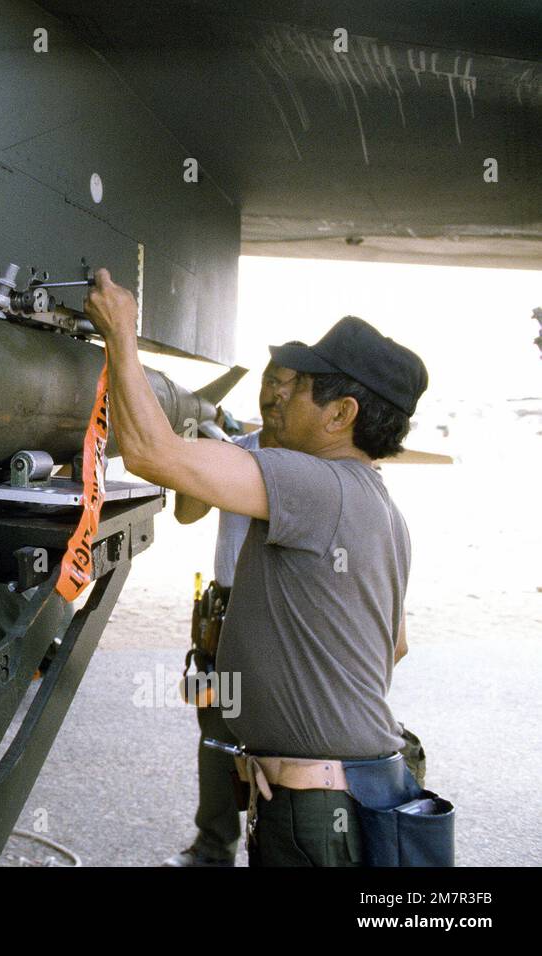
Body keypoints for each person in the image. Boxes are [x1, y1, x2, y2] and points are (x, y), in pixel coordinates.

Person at [85, 269, 428, 866]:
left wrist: (121, 334)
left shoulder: (316, 482)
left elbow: (150, 454)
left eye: (301, 388)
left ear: (340, 413)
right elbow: (392, 646)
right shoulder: (380, 506)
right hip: (331, 793)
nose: (279, 397)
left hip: (319, 809)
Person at [163, 361, 288, 867]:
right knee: (217, 731)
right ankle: (213, 848)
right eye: (268, 382)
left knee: (281, 737)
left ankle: (282, 848)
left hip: (280, 613)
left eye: (287, 385)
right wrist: (199, 451)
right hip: (226, 608)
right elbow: (186, 512)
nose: (272, 395)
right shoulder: (238, 453)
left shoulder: (310, 468)